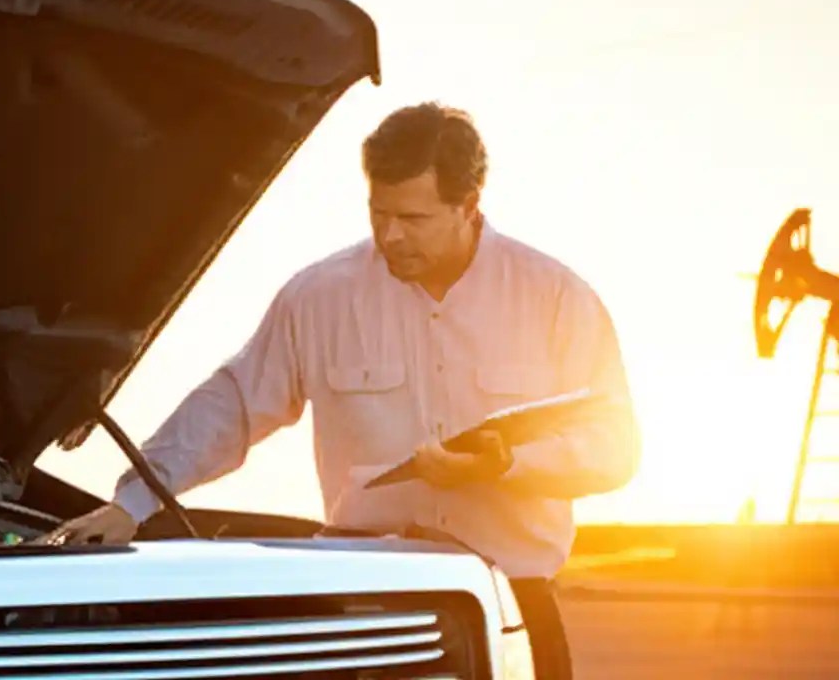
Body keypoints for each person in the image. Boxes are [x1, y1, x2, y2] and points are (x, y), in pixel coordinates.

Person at [40, 102, 641, 679]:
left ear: (470, 205)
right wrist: (133, 503)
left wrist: (505, 464)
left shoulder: (557, 299)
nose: (391, 236)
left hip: (513, 606)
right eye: (379, 213)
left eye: (414, 218)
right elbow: (235, 402)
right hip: (362, 613)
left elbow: (615, 447)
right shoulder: (319, 296)